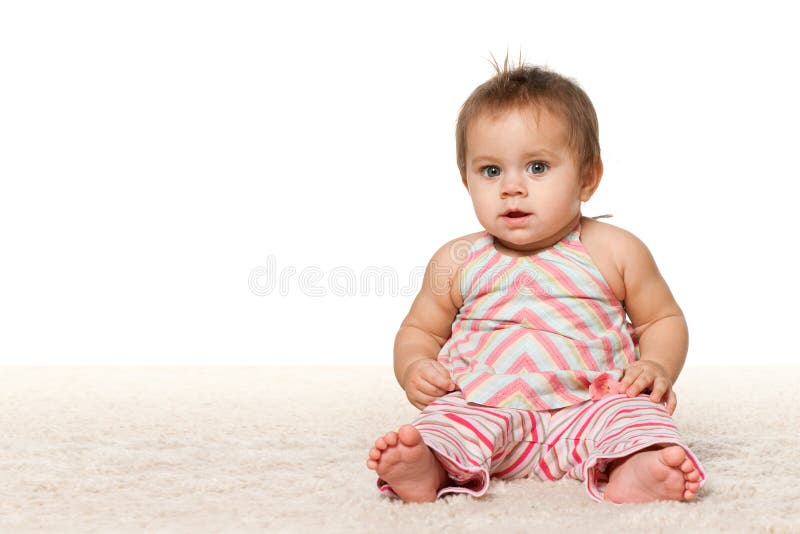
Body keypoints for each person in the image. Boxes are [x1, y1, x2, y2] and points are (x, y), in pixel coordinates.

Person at [366, 60, 706, 504]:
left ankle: (635, 468)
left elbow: (662, 318)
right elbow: (420, 330)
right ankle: (428, 466)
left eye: (538, 167)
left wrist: (657, 366)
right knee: (444, 420)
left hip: (590, 405)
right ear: (465, 180)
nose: (511, 187)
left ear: (588, 178)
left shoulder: (615, 250)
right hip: (485, 403)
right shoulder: (457, 259)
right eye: (491, 171)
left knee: (637, 416)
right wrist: (414, 367)